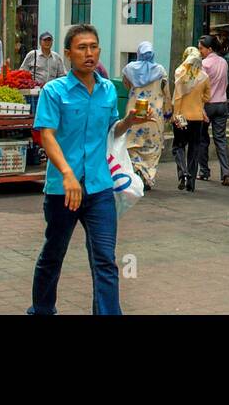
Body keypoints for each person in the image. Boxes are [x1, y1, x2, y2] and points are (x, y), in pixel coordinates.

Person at [28, 23, 150, 316]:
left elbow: (111, 129)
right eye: (82, 48)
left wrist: (128, 123)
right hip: (63, 190)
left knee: (105, 259)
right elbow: (47, 134)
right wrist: (68, 174)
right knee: (54, 253)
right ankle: (42, 309)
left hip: (99, 187)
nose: (89, 53)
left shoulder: (108, 90)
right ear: (68, 53)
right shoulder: (54, 91)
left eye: (94, 47)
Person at [120, 42, 170, 189]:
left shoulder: (129, 69)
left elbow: (126, 85)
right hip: (154, 114)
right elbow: (166, 92)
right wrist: (168, 111)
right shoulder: (160, 70)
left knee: (131, 144)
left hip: (134, 113)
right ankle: (148, 175)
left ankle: (137, 170)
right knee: (153, 145)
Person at [170, 46, 211, 192]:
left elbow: (178, 97)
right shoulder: (204, 77)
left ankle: (183, 172)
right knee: (194, 148)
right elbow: (208, 96)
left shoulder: (180, 74)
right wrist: (199, 100)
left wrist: (175, 115)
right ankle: (191, 182)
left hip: (181, 116)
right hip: (197, 117)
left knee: (178, 146)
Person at [196, 35, 229, 185]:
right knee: (221, 139)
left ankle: (204, 171)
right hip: (222, 104)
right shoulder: (223, 62)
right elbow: (226, 83)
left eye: (201, 48)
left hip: (207, 105)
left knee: (203, 139)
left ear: (209, 48)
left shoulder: (204, 64)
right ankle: (226, 173)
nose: (199, 51)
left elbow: (200, 86)